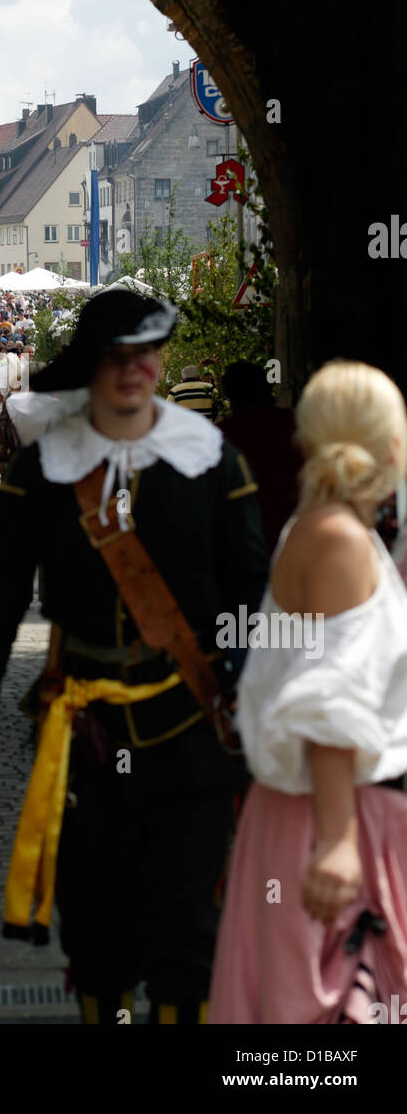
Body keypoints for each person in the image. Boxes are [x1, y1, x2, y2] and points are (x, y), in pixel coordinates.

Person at [0, 289, 269, 1024]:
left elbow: (254, 594)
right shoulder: (44, 471)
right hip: (84, 736)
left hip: (192, 733)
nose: (133, 371)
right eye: (115, 358)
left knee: (188, 934)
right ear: (90, 368)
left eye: (144, 353)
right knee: (97, 933)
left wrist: (250, 685)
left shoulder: (214, 461)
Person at [209, 360, 407, 1024]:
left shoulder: (328, 528)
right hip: (330, 816)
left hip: (321, 812)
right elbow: (331, 699)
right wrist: (339, 841)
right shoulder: (337, 538)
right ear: (387, 444)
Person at [217, 360, 302, 552]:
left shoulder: (221, 436)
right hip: (298, 532)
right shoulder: (296, 424)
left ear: (231, 395)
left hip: (246, 542)